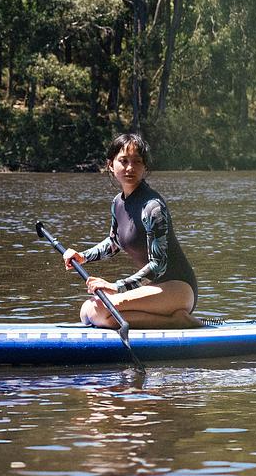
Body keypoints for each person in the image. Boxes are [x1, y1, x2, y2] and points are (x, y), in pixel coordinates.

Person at [63, 133, 201, 329]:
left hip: (178, 289)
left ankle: (176, 320)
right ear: (110, 164)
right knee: (89, 311)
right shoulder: (117, 203)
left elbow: (158, 265)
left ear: (145, 167)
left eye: (137, 161)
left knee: (97, 311)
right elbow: (114, 242)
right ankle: (173, 320)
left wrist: (116, 287)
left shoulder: (152, 207)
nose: (130, 167)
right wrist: (82, 257)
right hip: (153, 287)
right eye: (123, 161)